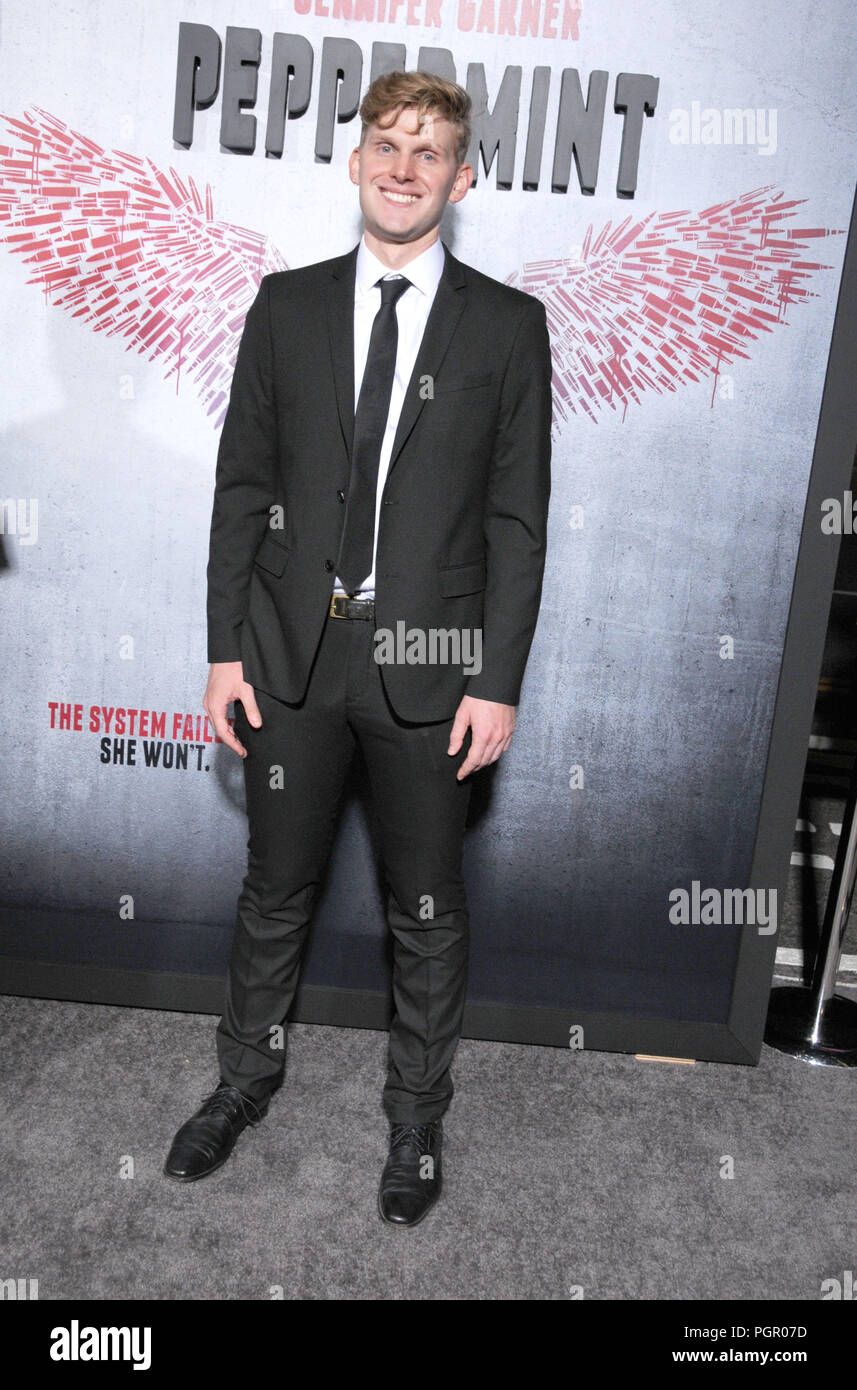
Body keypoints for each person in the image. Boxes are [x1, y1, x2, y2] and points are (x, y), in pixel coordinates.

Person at [164, 70, 553, 1226]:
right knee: (273, 892)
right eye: (386, 143)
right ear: (353, 162)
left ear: (463, 175)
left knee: (423, 909)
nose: (403, 166)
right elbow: (241, 489)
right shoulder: (283, 307)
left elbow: (516, 524)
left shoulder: (506, 325)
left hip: (433, 666)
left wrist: (496, 679)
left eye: (429, 151)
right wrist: (225, 647)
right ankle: (242, 1082)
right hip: (289, 656)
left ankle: (417, 1118)